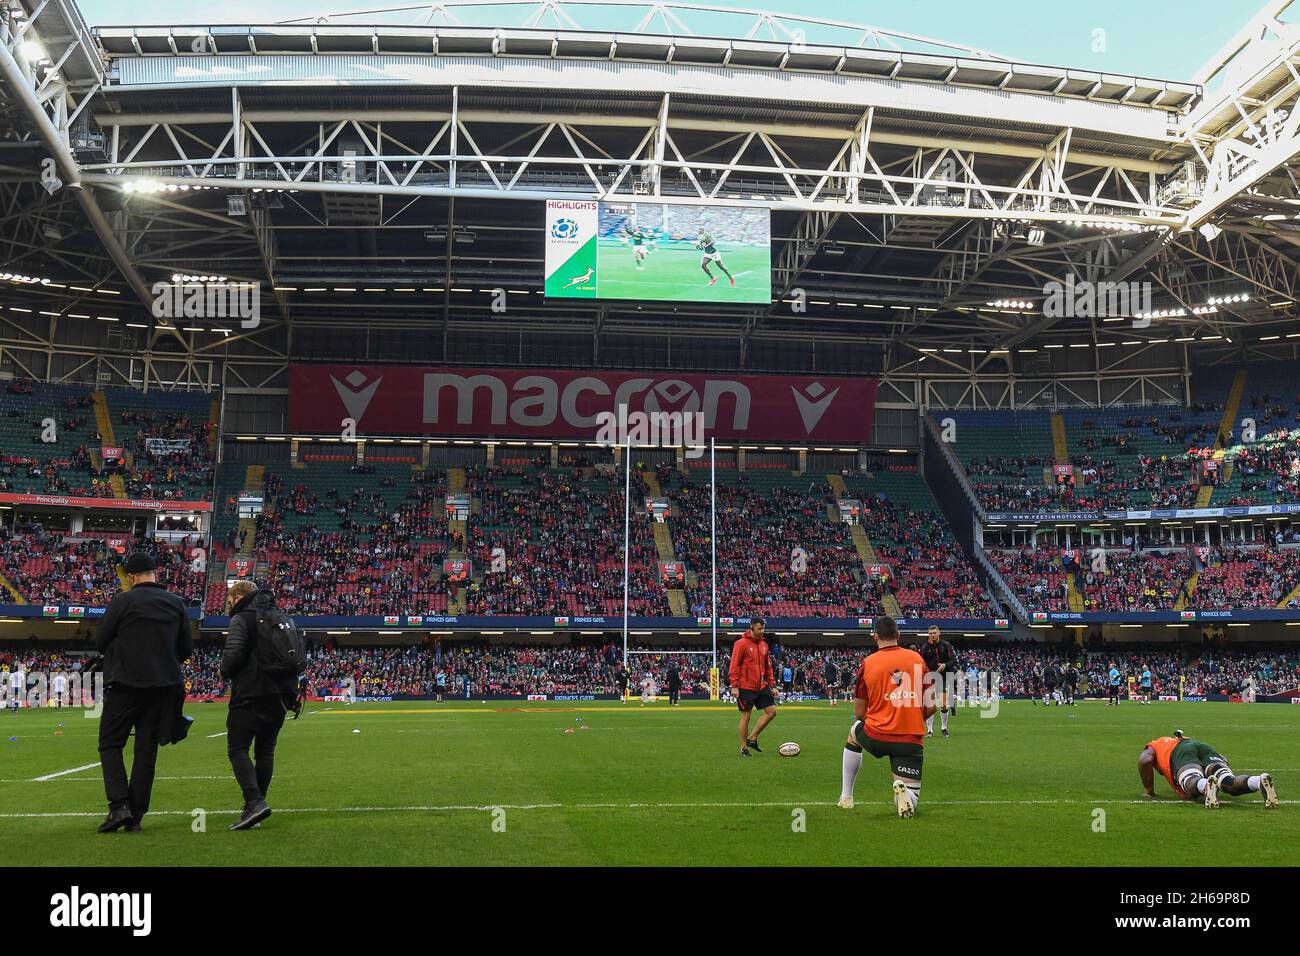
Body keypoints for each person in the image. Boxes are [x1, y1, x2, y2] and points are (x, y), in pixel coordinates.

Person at [94, 552, 193, 833]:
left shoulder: (123, 601)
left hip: (125, 686)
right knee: (146, 751)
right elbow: (186, 650)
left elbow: (101, 642)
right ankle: (135, 816)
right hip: (162, 689)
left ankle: (118, 807)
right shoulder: (175, 603)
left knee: (110, 745)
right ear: (154, 573)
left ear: (133, 576)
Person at [221, 580, 300, 830]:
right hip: (280, 695)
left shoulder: (242, 618)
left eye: (231, 598)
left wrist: (224, 672)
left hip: (250, 692)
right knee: (265, 751)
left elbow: (233, 653)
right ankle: (255, 805)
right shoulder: (282, 616)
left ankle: (254, 802)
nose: (229, 603)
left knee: (238, 749)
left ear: (240, 596)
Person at [837, 617, 934, 818]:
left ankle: (846, 796)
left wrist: (879, 717)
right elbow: (933, 704)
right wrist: (913, 717)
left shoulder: (868, 663)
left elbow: (859, 712)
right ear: (898, 635)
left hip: (876, 735)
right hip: (910, 739)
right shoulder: (917, 659)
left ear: (875, 636)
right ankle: (906, 795)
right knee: (911, 797)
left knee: (854, 733)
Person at [1139, 730, 1279, 809]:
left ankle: (1206, 785)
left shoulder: (1155, 745)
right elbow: (1224, 758)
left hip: (1181, 752)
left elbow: (1145, 761)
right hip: (1205, 747)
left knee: (1191, 779)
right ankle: (1258, 782)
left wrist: (1148, 792)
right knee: (1228, 781)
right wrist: (1220, 765)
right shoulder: (1180, 739)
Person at [728, 617, 776, 757]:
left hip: (761, 686)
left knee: (772, 711)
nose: (762, 631)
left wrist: (772, 685)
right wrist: (734, 686)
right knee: (746, 717)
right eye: (759, 628)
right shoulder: (741, 644)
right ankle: (743, 747)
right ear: (752, 628)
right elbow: (734, 665)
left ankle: (753, 738)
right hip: (745, 687)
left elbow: (768, 667)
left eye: (763, 628)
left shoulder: (764, 645)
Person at [920, 625, 956, 737]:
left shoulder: (946, 645)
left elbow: (953, 660)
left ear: (939, 633)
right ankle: (929, 730)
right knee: (930, 704)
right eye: (930, 633)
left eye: (934, 633)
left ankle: (944, 728)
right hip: (930, 678)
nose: (932, 635)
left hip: (944, 677)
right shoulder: (925, 647)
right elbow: (921, 662)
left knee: (944, 704)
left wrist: (945, 665)